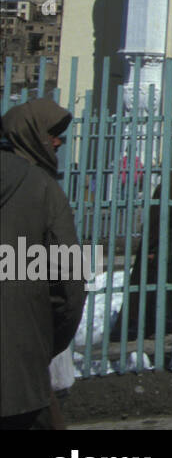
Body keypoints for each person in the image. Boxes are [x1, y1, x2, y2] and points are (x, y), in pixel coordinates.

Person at [1, 99, 86, 430]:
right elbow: (69, 286)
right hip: (18, 373)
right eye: (51, 133)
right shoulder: (42, 189)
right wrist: (43, 342)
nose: (58, 142)